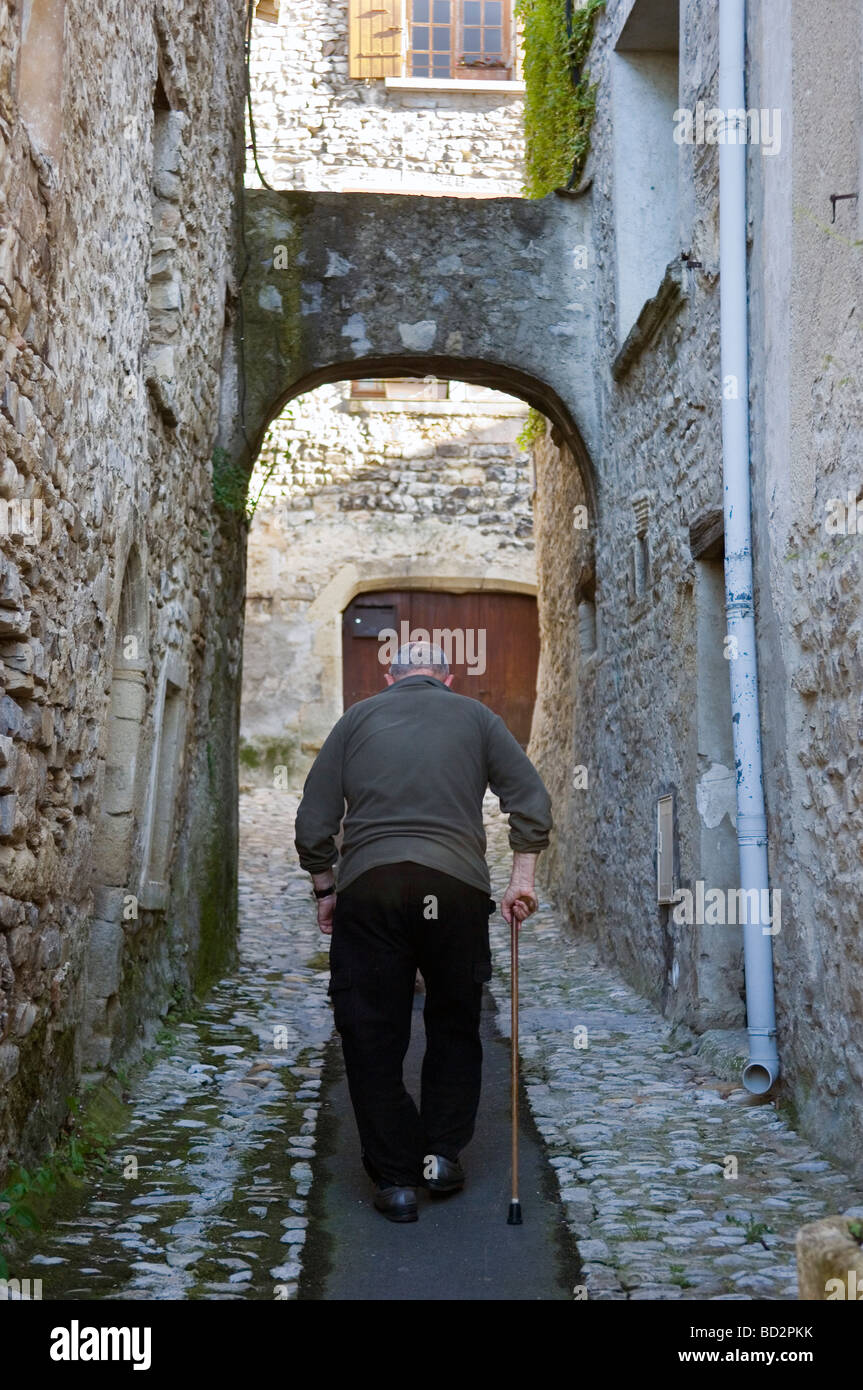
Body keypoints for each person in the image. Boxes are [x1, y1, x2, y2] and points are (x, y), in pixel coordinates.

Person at [294, 639, 552, 1222]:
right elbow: (529, 800)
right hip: (453, 889)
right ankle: (441, 1154)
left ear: (390, 676)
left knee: (370, 1030)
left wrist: (326, 889)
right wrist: (521, 880)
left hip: (372, 889)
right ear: (449, 676)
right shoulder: (479, 717)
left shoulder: (355, 719)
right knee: (455, 1019)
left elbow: (314, 818)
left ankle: (395, 1180)